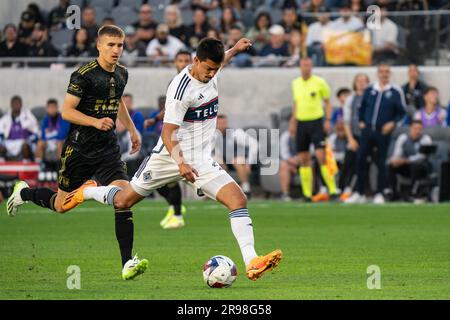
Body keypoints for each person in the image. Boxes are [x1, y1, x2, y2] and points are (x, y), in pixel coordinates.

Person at [63, 37, 282, 281]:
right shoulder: (181, 89)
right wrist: (180, 163)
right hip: (168, 158)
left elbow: (224, 59)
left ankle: (252, 261)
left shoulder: (213, 68)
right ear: (195, 60)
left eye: (215, 68)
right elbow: (168, 133)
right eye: (208, 68)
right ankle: (88, 191)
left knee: (238, 199)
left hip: (199, 159)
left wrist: (235, 49)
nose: (211, 74)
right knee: (124, 201)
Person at [6, 26, 148, 281]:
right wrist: (94, 122)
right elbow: (67, 112)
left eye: (120, 45)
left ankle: (127, 263)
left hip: (108, 150)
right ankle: (24, 192)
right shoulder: (83, 75)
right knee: (61, 206)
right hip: (79, 151)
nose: (116, 50)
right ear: (99, 46)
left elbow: (118, 104)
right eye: (111, 45)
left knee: (124, 198)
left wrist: (133, 129)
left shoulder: (123, 74)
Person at [345, 63, 407, 204]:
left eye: (386, 72)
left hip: (383, 132)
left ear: (389, 74)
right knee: (360, 160)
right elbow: (362, 107)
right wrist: (361, 121)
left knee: (380, 162)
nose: (384, 74)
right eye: (381, 72)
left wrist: (392, 123)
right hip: (367, 131)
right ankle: (359, 193)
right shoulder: (370, 89)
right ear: (378, 73)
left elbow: (402, 114)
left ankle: (379, 193)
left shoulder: (395, 91)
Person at [289, 57, 337, 202]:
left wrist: (328, 120)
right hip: (301, 123)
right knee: (304, 159)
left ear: (312, 67)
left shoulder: (319, 82)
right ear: (300, 67)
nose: (306, 68)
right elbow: (296, 103)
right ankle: (307, 194)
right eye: (303, 65)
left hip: (316, 122)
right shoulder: (295, 83)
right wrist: (293, 121)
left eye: (308, 65)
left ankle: (333, 190)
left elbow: (328, 102)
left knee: (321, 156)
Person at [213, 114, 259, 198]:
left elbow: (254, 144)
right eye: (219, 123)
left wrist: (249, 162)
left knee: (238, 160)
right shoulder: (214, 135)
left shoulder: (236, 133)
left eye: (224, 122)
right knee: (215, 161)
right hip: (226, 161)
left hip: (240, 161)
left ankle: (246, 189)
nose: (222, 125)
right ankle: (220, 190)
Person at [340, 73, 370, 201]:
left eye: (364, 81)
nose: (361, 83)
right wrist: (351, 139)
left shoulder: (371, 98)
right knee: (349, 160)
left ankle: (360, 191)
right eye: (359, 80)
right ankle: (343, 188)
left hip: (368, 137)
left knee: (364, 163)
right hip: (355, 136)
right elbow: (347, 121)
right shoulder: (350, 99)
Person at [387, 120, 432, 201]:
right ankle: (393, 193)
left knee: (415, 165)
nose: (417, 131)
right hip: (407, 166)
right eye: (415, 128)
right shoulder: (402, 138)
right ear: (410, 128)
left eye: (419, 129)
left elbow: (421, 157)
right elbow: (397, 153)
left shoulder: (426, 139)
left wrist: (405, 160)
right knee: (391, 165)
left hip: (422, 167)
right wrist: (395, 160)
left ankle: (412, 193)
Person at [0, 95, 40, 162]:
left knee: (25, 146)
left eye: (17, 103)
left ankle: (25, 165)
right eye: (14, 103)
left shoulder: (29, 117)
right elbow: (1, 134)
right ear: (11, 105)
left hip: (23, 142)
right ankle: (2, 167)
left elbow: (37, 133)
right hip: (9, 142)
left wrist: (28, 140)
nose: (16, 105)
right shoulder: (5, 118)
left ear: (21, 104)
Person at [35, 98, 70, 171]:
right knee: (40, 143)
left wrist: (50, 135)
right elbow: (43, 136)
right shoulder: (45, 120)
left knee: (59, 143)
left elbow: (62, 135)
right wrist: (51, 137)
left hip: (60, 142)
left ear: (57, 107)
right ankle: (39, 168)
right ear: (47, 108)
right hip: (48, 143)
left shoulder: (63, 119)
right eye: (50, 107)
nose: (52, 110)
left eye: (54, 107)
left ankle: (60, 168)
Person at [279, 130, 298, 201]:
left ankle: (309, 194)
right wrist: (293, 162)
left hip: (304, 161)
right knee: (284, 165)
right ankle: (285, 194)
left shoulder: (307, 133)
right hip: (291, 162)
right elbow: (284, 154)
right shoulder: (286, 136)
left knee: (310, 164)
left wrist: (299, 160)